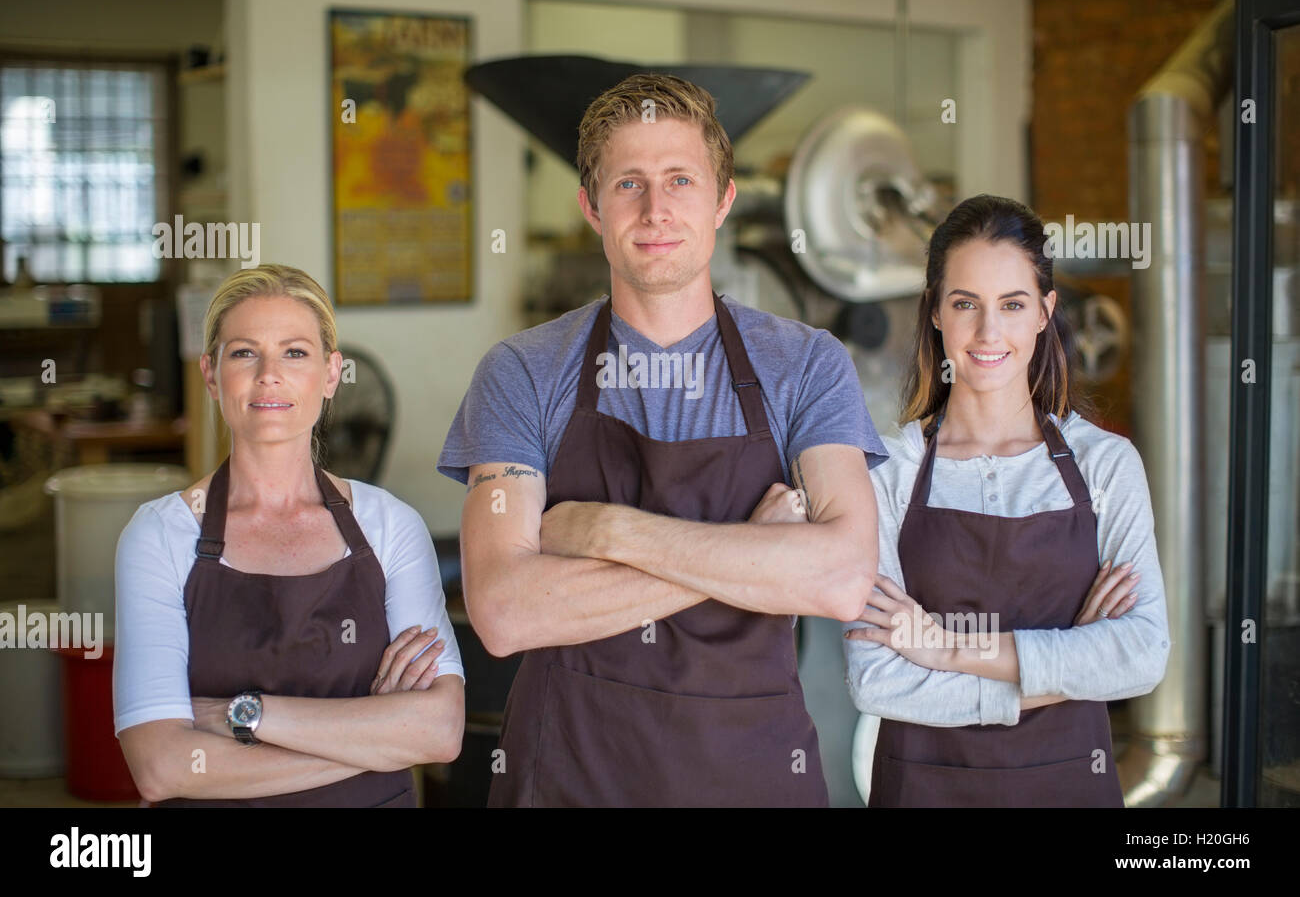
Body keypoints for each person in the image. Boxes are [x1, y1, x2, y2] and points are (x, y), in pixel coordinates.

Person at [438, 73, 889, 807]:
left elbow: (840, 580)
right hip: (568, 776)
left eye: (680, 179)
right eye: (628, 184)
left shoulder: (805, 364)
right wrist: (752, 552)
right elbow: (505, 612)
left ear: (723, 200)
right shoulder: (523, 371)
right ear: (591, 206)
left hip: (749, 775)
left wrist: (604, 529)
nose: (655, 209)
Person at [843, 194, 1171, 807]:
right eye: (965, 304)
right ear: (936, 313)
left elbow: (1141, 655)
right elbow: (877, 681)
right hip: (923, 790)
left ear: (1045, 312)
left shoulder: (1105, 466)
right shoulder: (889, 473)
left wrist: (944, 648)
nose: (988, 332)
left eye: (1012, 305)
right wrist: (1068, 663)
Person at [114, 264, 465, 807]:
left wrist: (242, 714)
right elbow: (161, 767)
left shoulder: (391, 526)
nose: (269, 374)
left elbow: (440, 730)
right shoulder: (160, 535)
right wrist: (376, 737)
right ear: (211, 374)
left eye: (295, 352)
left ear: (331, 374)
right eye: (244, 352)